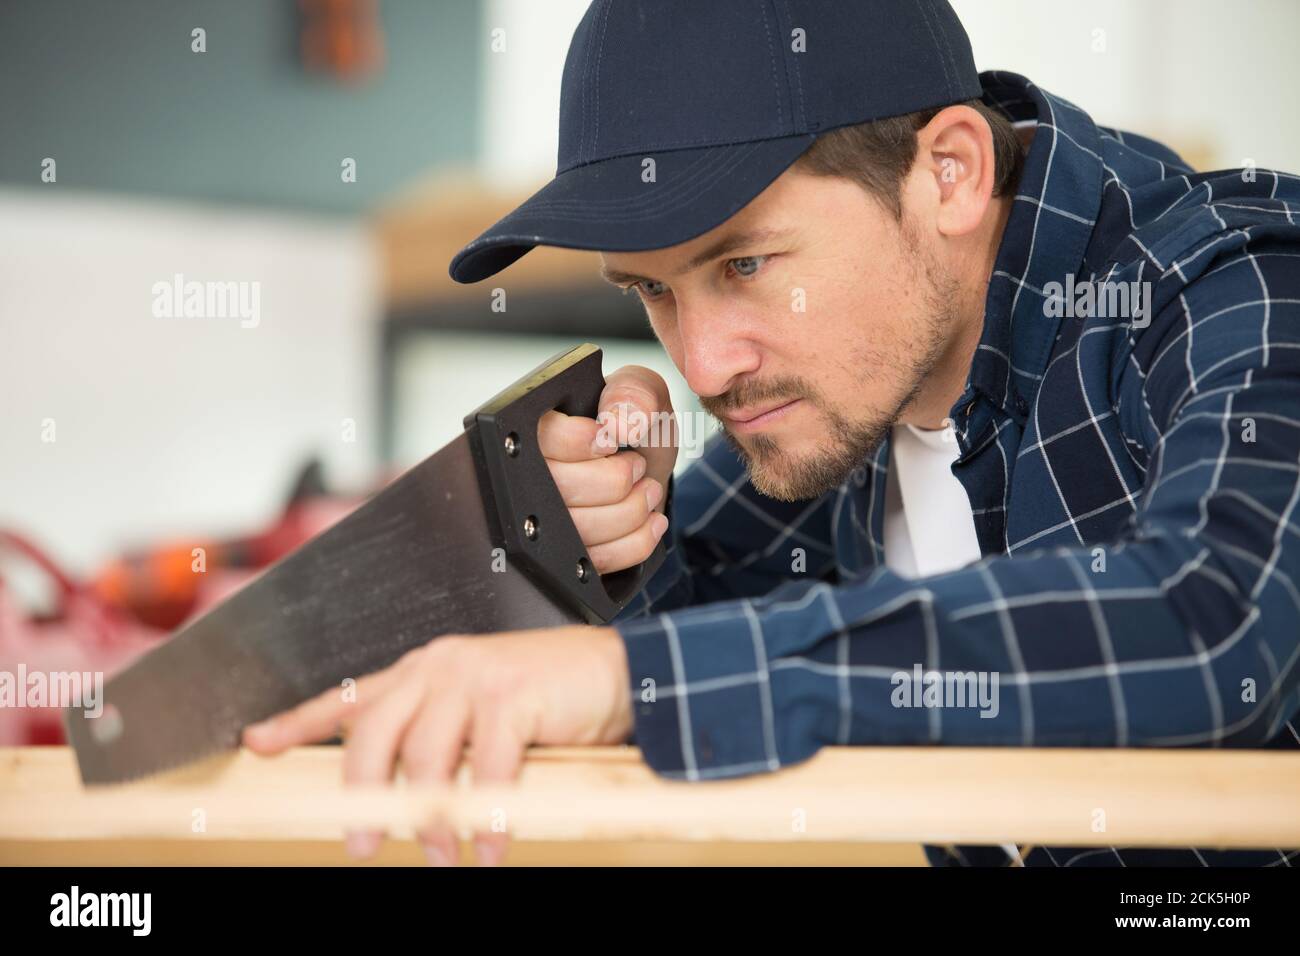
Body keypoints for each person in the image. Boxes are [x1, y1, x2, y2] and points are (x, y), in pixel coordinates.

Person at [244, 0, 1300, 868]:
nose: (705, 367)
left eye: (746, 265)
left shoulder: (1238, 289)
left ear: (949, 173)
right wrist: (597, 540)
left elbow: (1215, 618)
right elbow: (683, 626)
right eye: (654, 291)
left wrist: (627, 680)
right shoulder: (845, 391)